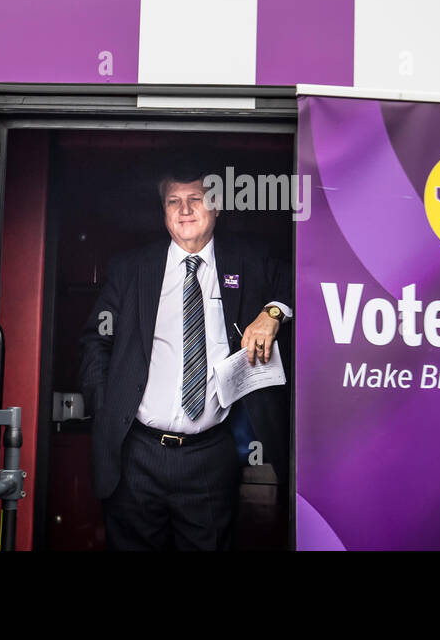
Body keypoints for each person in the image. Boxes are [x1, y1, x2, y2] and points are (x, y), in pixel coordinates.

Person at [78, 169, 292, 551]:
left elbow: (301, 279)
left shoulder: (249, 260)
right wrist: (107, 407)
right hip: (135, 455)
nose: (185, 210)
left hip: (210, 456)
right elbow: (97, 339)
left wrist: (272, 313)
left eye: (196, 199)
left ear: (218, 206)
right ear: (163, 212)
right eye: (173, 202)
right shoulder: (131, 269)